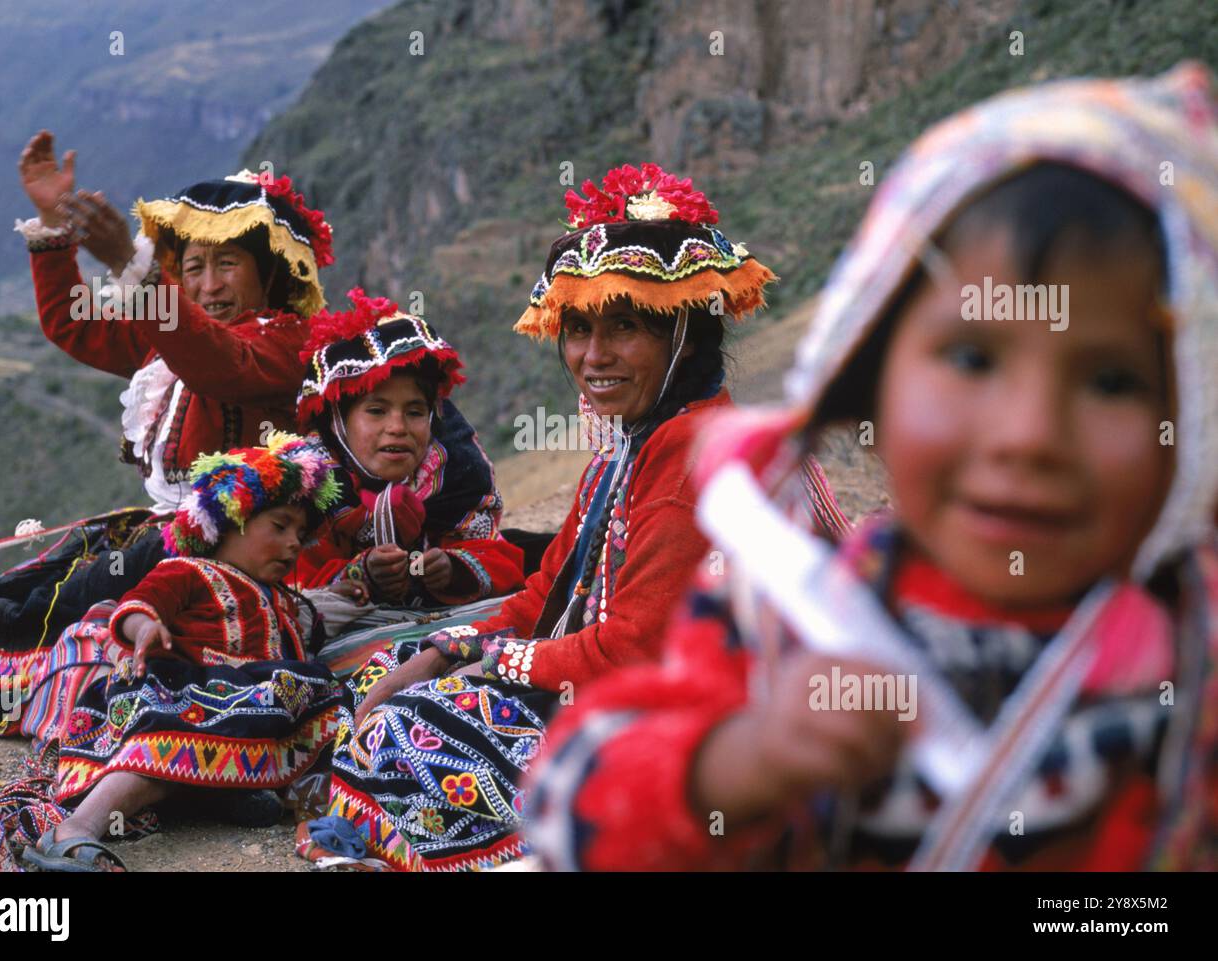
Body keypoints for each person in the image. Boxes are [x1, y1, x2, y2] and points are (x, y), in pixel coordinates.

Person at [523, 63, 1218, 871]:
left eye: (1111, 380)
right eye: (972, 358)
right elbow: (566, 805)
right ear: (869, 381)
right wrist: (736, 762)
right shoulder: (781, 619)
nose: (1030, 435)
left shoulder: (1194, 656)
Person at [317, 164, 848, 870]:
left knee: (406, 731)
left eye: (623, 328)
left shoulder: (691, 460)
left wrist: (487, 658)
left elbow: (629, 650)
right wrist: (446, 650)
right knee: (384, 674)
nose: (591, 357)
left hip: (718, 732)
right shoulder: (629, 445)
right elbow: (548, 595)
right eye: (577, 328)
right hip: (628, 689)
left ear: (683, 336)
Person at [0, 130, 335, 707]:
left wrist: (127, 263)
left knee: (43, 608)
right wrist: (55, 230)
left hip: (224, 547)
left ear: (269, 276)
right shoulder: (171, 335)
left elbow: (218, 365)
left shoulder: (283, 344)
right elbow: (76, 325)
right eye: (193, 267)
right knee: (21, 584)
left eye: (227, 264)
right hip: (158, 532)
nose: (207, 285)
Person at [26, 433, 345, 870]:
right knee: (162, 750)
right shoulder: (187, 571)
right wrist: (145, 628)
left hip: (248, 708)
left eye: (301, 532)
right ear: (229, 521)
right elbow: (138, 604)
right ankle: (78, 828)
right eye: (280, 525)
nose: (294, 542)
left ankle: (222, 790)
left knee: (330, 703)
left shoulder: (284, 600)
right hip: (182, 694)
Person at [290, 287, 524, 608]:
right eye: (376, 411)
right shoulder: (310, 491)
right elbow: (293, 580)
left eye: (414, 412)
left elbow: (500, 558)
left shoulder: (456, 477)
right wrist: (363, 573)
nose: (398, 428)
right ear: (338, 423)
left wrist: (454, 568)